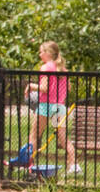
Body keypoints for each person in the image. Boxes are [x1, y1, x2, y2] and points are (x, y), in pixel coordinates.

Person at [11, 41, 79, 174]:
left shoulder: (45, 68)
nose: (40, 54)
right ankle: (74, 165)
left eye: (41, 51)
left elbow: (45, 88)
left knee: (35, 135)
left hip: (45, 106)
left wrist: (31, 86)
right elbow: (69, 88)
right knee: (64, 138)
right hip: (59, 106)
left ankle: (28, 164)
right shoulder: (63, 69)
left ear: (48, 53)